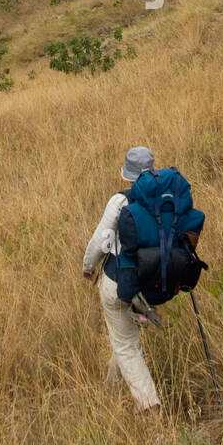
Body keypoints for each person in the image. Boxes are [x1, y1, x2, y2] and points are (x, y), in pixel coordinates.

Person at [82, 146, 162, 413]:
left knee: (125, 343)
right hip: (149, 283)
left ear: (128, 175)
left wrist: (87, 267)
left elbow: (99, 243)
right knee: (126, 335)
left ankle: (149, 404)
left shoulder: (121, 201)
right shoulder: (164, 198)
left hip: (118, 281)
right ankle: (111, 389)